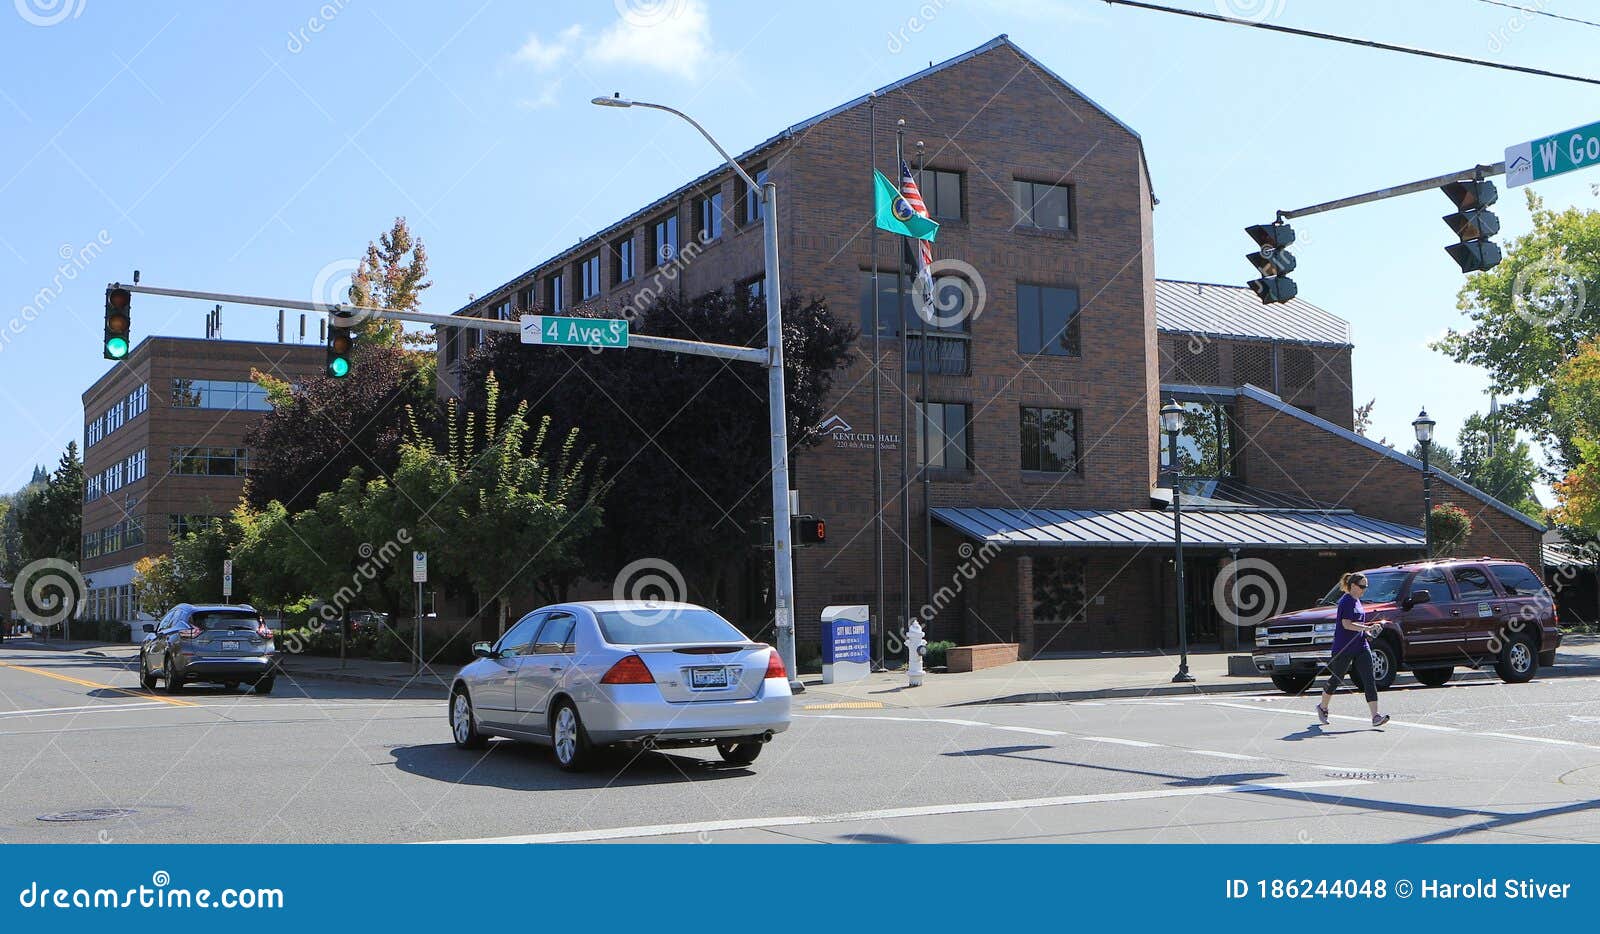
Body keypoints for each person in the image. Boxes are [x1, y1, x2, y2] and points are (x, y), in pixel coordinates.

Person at [1315, 571, 1391, 728]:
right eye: (1362, 586)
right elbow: (1346, 624)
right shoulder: (1346, 601)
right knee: (1337, 678)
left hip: (1361, 645)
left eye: (1366, 586)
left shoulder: (1357, 601)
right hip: (1344, 646)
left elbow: (1358, 625)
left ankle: (1375, 716)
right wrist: (1367, 627)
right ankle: (1322, 707)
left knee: (1369, 679)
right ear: (1353, 586)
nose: (1364, 589)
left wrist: (1368, 631)